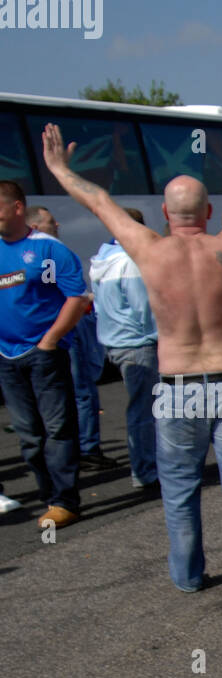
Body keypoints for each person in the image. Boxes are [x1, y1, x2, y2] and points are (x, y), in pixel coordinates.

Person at [41, 122, 222, 597]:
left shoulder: (148, 248)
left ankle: (188, 577)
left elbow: (98, 201)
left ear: (164, 212)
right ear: (208, 211)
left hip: (178, 387)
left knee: (181, 490)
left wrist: (59, 168)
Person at [0, 181, 87, 526]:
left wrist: (50, 340)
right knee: (29, 435)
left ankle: (63, 500)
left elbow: (76, 298)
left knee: (57, 429)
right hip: (7, 358)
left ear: (17, 208)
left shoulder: (48, 250)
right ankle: (48, 494)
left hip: (44, 355)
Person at [28, 205, 115, 471]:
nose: (58, 225)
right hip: (62, 332)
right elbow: (58, 292)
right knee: (81, 391)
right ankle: (87, 447)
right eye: (51, 221)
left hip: (43, 334)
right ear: (36, 227)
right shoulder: (48, 254)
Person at [88, 206, 159, 489]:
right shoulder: (131, 261)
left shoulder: (101, 260)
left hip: (114, 342)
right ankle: (145, 471)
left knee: (140, 407)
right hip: (139, 342)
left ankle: (145, 467)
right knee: (144, 410)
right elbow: (144, 309)